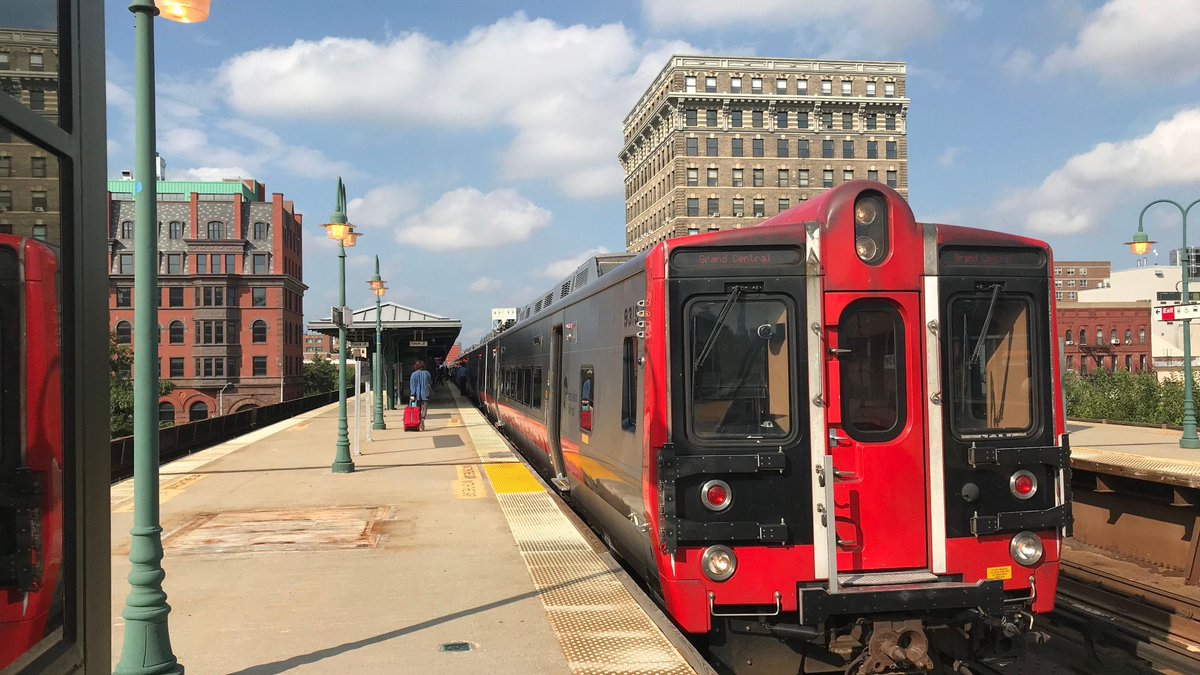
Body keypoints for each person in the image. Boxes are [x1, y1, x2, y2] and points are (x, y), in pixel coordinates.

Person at [409, 360, 432, 430]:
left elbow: (412, 386)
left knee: (414, 409)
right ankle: (422, 419)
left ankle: (417, 422)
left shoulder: (413, 374)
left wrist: (412, 395)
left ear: (416, 366)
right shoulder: (427, 373)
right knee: (424, 409)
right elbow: (430, 383)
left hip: (414, 396)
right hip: (425, 395)